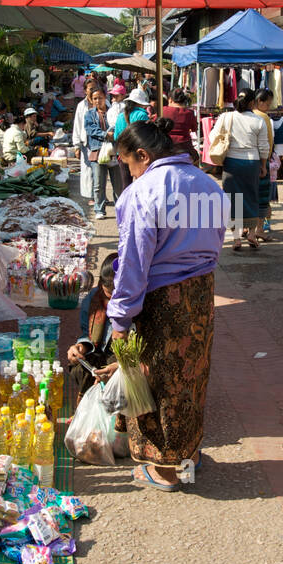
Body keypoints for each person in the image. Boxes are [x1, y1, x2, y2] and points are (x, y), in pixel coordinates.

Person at [111, 119, 227, 490]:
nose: (128, 173)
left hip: (161, 301)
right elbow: (218, 239)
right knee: (192, 378)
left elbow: (133, 261)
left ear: (143, 156)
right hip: (200, 296)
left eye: (128, 164)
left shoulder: (143, 192)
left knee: (157, 382)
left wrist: (120, 317)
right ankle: (189, 455)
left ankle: (164, 468)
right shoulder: (209, 185)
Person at [211, 88, 271, 250]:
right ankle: (251, 233)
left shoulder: (226, 117)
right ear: (253, 102)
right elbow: (264, 147)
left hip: (231, 163)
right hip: (252, 163)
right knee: (252, 197)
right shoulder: (259, 121)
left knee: (232, 199)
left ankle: (236, 238)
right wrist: (263, 166)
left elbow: (212, 137)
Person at [66, 252, 119, 400]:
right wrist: (82, 346)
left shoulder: (138, 302)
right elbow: (86, 334)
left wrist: (120, 367)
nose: (111, 302)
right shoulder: (93, 299)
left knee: (116, 377)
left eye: (116, 297)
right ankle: (87, 410)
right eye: (108, 296)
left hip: (125, 359)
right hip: (101, 353)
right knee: (82, 368)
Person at [84, 88, 123, 218]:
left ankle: (120, 210)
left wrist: (114, 134)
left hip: (113, 150)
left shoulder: (114, 111)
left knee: (117, 183)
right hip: (97, 151)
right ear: (91, 100)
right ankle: (99, 210)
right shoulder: (89, 114)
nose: (97, 101)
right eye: (94, 98)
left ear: (104, 97)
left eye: (100, 98)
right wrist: (106, 135)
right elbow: (91, 130)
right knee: (98, 184)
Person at [112, 89, 151, 189]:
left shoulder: (120, 116)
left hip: (122, 154)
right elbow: (145, 136)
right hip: (138, 154)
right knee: (141, 183)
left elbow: (116, 136)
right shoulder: (142, 115)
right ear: (141, 103)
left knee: (126, 184)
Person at [253, 88, 278, 241]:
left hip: (244, 161)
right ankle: (259, 229)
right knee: (262, 197)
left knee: (246, 196)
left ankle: (245, 230)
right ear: (260, 102)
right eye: (267, 104)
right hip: (261, 161)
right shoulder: (264, 118)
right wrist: (266, 161)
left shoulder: (244, 115)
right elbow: (268, 142)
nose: (269, 107)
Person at [164, 88, 200, 161]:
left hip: (165, 146)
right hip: (184, 146)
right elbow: (194, 128)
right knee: (196, 159)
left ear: (170, 99)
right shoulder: (189, 113)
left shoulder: (163, 110)